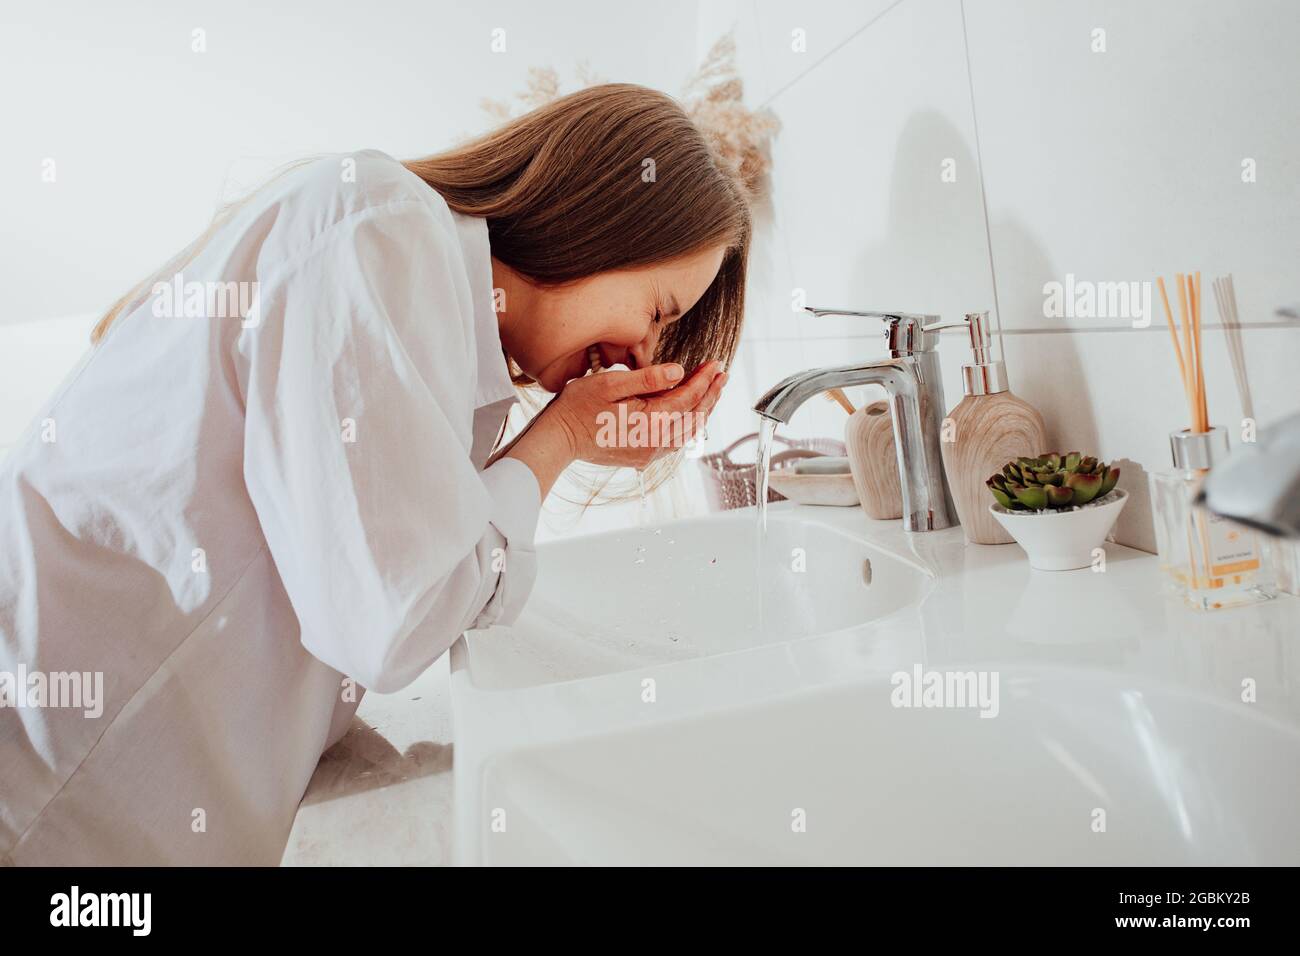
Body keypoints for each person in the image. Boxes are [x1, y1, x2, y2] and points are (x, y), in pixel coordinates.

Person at [0, 83, 749, 865]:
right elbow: (393, 621)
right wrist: (561, 435)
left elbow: (414, 581)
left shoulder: (438, 332)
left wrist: (556, 436)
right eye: (658, 311)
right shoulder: (385, 224)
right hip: (41, 794)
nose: (642, 351)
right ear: (603, 225)